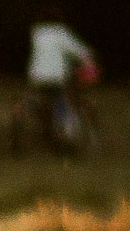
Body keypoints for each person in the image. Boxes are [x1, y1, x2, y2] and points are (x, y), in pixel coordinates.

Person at [26, 20, 101, 153]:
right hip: (56, 77)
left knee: (44, 100)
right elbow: (79, 51)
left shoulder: (38, 33)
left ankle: (42, 127)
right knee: (60, 100)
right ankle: (63, 131)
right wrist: (88, 60)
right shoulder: (62, 34)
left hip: (37, 76)